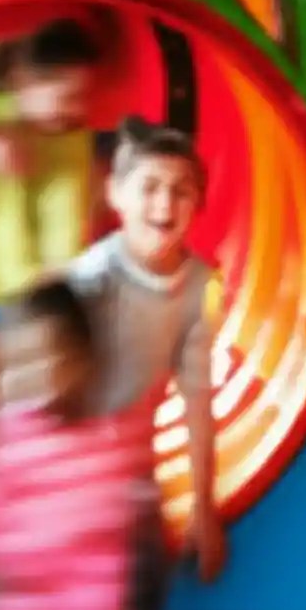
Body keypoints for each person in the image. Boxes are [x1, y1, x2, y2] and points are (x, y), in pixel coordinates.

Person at [0, 277, 159, 610]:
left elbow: (137, 546)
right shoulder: (2, 443)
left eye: (54, 356)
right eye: (22, 361)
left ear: (85, 360)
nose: (40, 373)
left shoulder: (110, 446)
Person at [67, 116, 227, 583]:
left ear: (199, 202)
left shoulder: (199, 285)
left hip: (133, 467)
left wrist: (204, 507)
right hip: (79, 462)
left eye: (181, 190)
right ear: (116, 194)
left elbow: (197, 398)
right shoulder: (92, 278)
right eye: (150, 187)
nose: (165, 203)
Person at [0, 18, 109, 324]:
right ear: (24, 84)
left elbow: (66, 210)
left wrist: (62, 268)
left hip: (29, 289)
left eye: (84, 98)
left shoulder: (72, 142)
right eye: (67, 98)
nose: (77, 110)